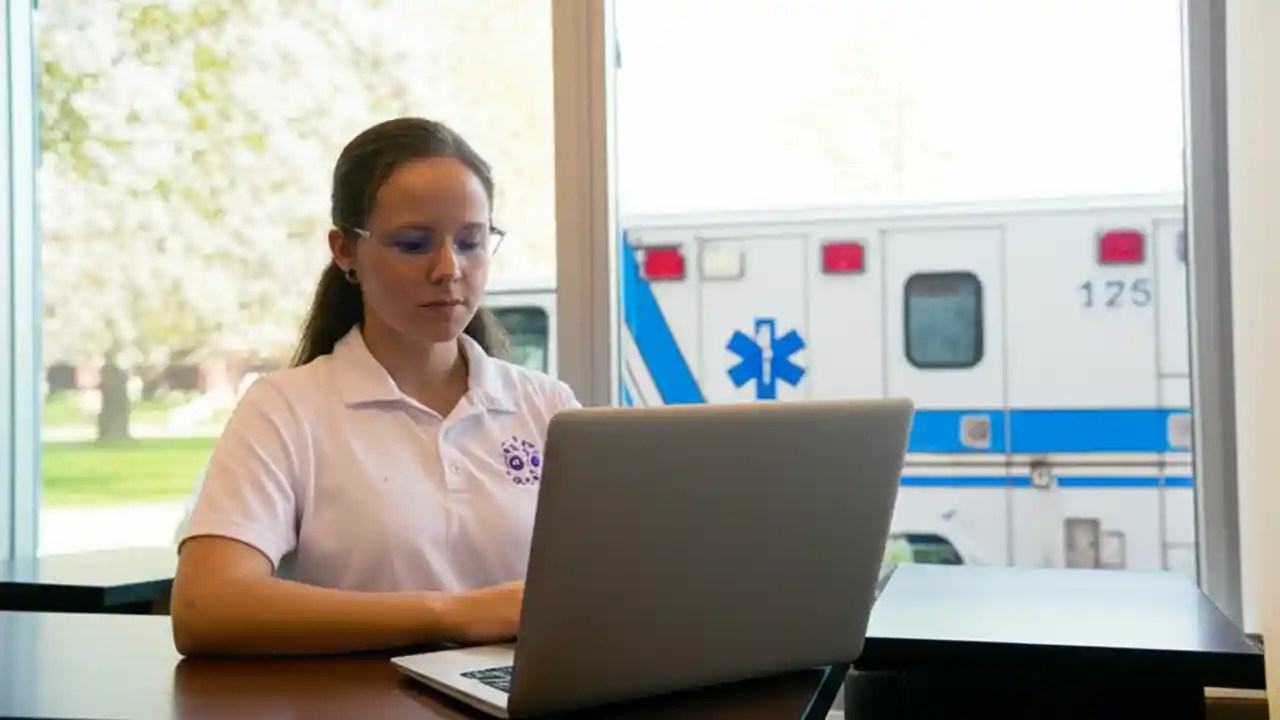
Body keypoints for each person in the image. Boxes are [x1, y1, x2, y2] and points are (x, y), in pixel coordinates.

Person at [170, 117, 579, 657]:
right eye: (413, 244)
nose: (447, 269)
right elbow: (207, 608)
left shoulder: (547, 407)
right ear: (344, 251)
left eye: (471, 242)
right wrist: (456, 613)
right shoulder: (286, 409)